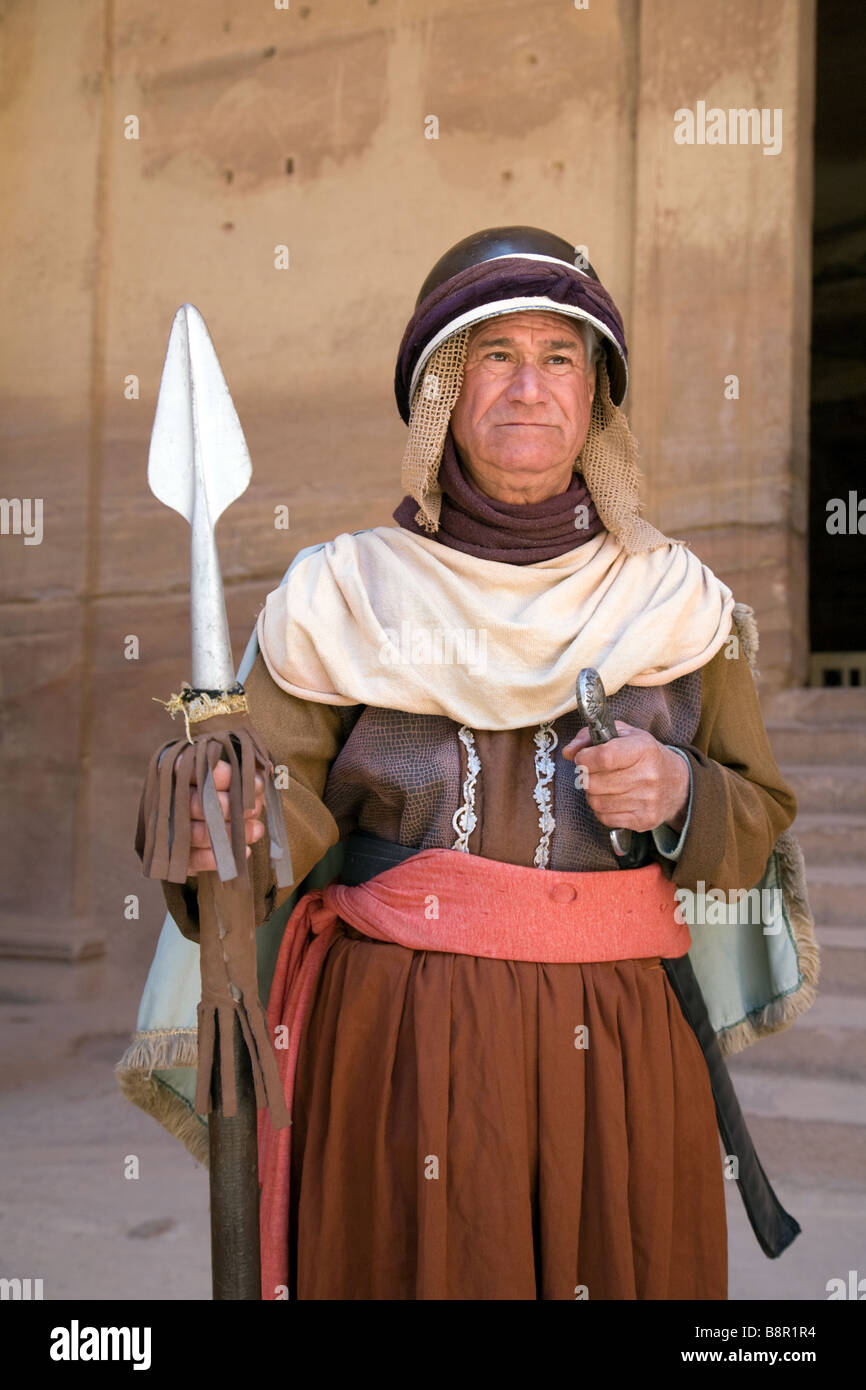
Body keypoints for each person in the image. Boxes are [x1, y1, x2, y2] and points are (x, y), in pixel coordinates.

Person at [158, 226, 810, 1301]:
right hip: (401, 1040)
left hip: (623, 1039)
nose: (528, 386)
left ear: (593, 398)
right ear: (441, 394)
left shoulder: (676, 603)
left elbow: (757, 818)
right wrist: (231, 820)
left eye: (559, 358)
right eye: (494, 355)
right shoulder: (341, 596)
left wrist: (681, 792)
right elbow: (278, 816)